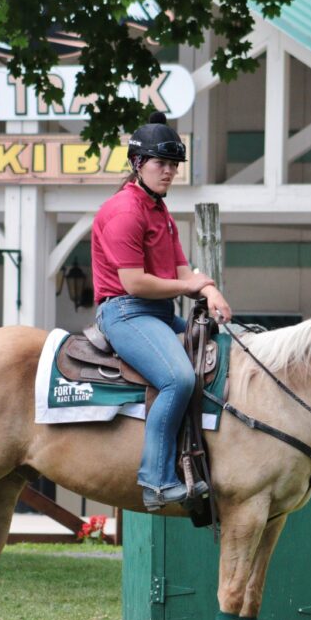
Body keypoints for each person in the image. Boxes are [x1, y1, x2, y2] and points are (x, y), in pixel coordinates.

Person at [91, 112, 233, 511]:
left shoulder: (159, 211)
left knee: (220, 355)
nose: (169, 171)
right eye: (161, 163)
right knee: (177, 378)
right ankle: (156, 481)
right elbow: (135, 282)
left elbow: (184, 272)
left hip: (156, 312)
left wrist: (209, 289)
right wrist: (194, 286)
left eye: (173, 164)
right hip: (125, 312)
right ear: (138, 164)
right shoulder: (125, 211)